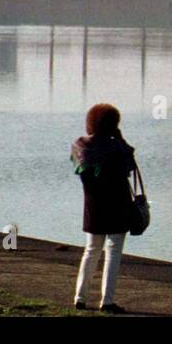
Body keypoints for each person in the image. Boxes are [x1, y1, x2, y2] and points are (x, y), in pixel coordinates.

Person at [71, 103, 136, 313]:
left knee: (91, 250)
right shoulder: (116, 147)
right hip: (118, 204)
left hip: (93, 205)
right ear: (113, 125)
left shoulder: (80, 146)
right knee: (113, 251)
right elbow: (130, 165)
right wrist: (120, 139)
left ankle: (80, 297)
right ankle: (107, 301)